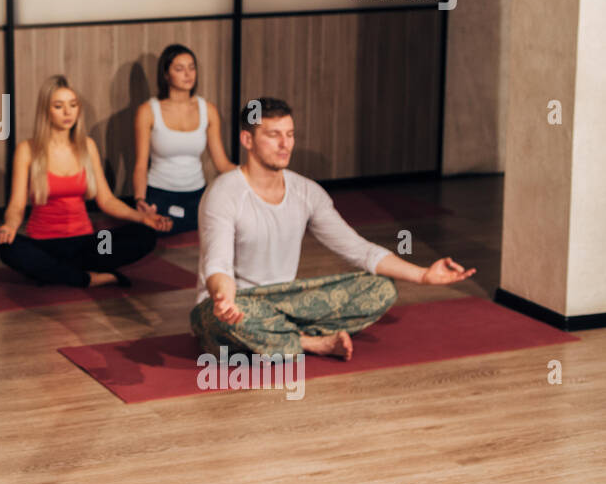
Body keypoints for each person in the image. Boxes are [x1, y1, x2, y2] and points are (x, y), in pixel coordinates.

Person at [190, 97, 475, 360]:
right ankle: (309, 342)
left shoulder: (306, 192)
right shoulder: (223, 194)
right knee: (217, 320)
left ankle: (277, 335)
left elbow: (358, 249)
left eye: (290, 135)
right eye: (274, 135)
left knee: (380, 288)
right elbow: (218, 266)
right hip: (237, 303)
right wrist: (223, 299)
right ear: (247, 140)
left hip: (285, 299)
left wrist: (424, 275)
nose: (285, 144)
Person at [0, 75, 173, 287]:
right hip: (43, 244)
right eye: (59, 106)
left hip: (89, 244)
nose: (67, 112)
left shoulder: (87, 146)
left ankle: (57, 273)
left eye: (73, 105)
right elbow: (16, 205)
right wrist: (10, 225)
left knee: (143, 235)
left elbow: (107, 200)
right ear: (46, 111)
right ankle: (88, 278)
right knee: (8, 247)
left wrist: (142, 218)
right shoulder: (28, 150)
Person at [133, 43, 234, 234]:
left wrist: (254, 173)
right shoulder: (147, 111)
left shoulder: (208, 110)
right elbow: (140, 164)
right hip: (159, 193)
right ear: (165, 74)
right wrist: (140, 200)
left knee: (212, 230)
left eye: (192, 67)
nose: (188, 74)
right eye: (179, 69)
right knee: (159, 230)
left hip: (196, 193)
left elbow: (222, 163)